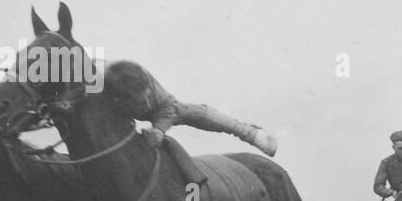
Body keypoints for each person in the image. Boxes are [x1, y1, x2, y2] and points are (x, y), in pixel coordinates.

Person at [107, 61, 278, 156]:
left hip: (164, 107)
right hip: (112, 107)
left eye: (148, 96)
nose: (147, 102)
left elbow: (167, 108)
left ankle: (250, 133)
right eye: (142, 102)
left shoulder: (150, 86)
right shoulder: (99, 88)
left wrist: (159, 130)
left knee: (185, 111)